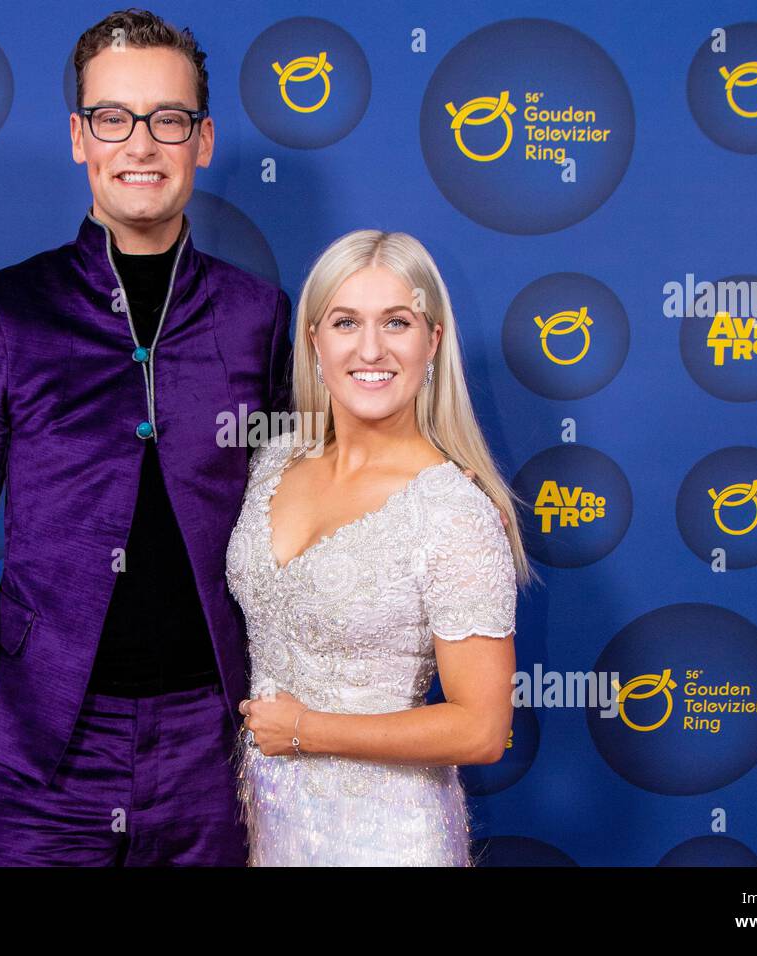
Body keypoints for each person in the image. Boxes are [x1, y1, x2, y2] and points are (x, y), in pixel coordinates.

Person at [0, 8, 292, 865]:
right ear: (81, 137)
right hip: (43, 747)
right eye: (114, 118)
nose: (142, 145)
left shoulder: (257, 314)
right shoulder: (7, 313)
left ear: (204, 139)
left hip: (214, 743)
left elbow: (294, 519)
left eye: (169, 119)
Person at [226, 229, 538, 865]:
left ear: (433, 342)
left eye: (397, 322)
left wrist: (307, 732)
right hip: (267, 823)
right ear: (313, 341)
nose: (370, 348)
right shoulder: (276, 460)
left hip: (387, 835)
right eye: (346, 322)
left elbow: (482, 729)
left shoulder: (451, 510)